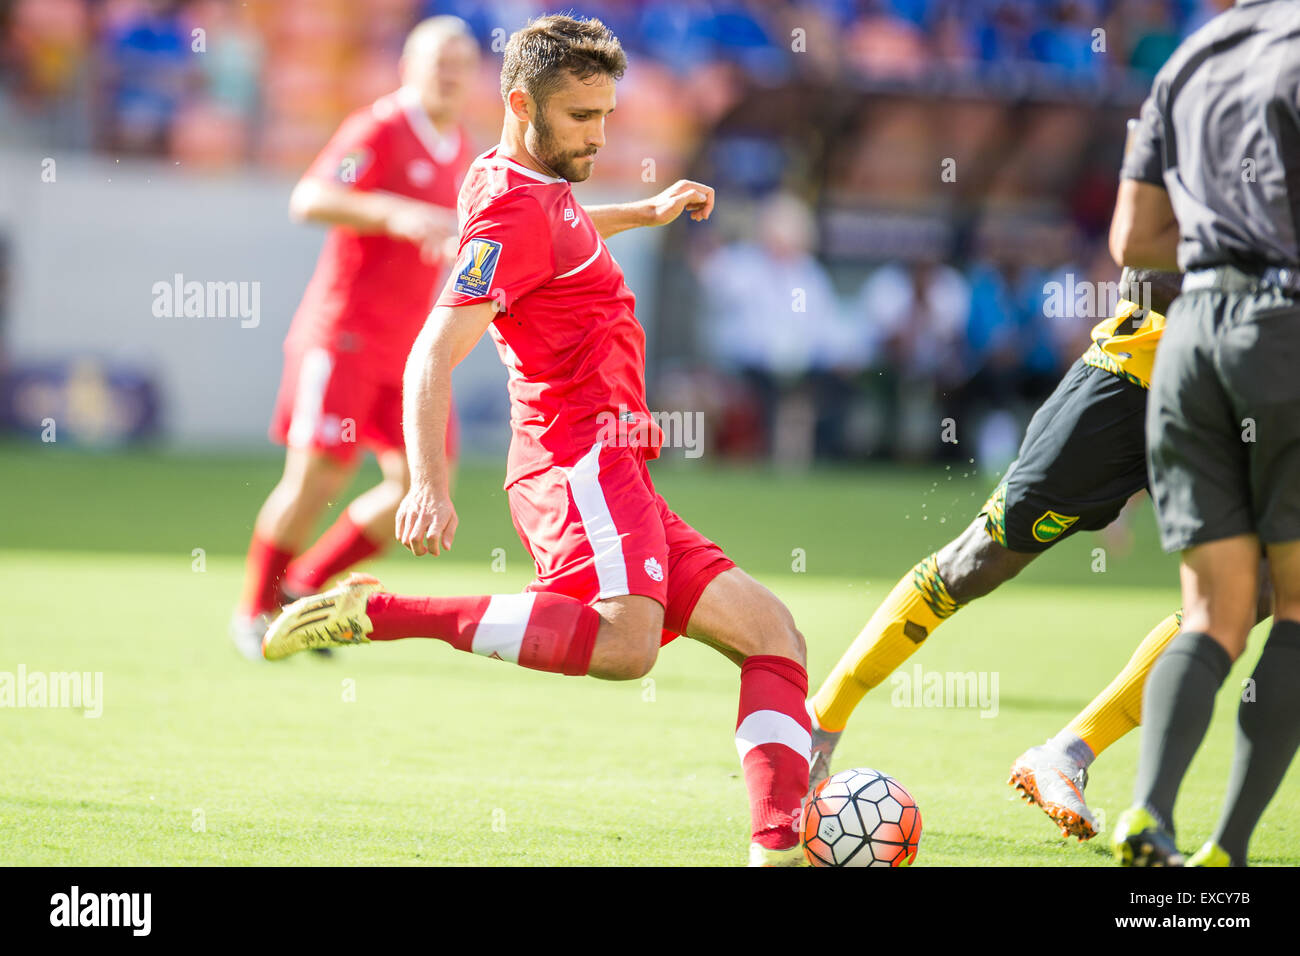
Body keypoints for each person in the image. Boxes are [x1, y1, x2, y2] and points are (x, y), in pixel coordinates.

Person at [262, 14, 813, 867]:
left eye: (607, 114)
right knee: (627, 648)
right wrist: (428, 485)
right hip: (579, 459)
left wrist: (645, 209)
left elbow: (561, 230)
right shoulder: (508, 214)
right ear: (522, 103)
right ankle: (380, 612)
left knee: (774, 634)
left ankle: (778, 848)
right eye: (582, 118)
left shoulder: (517, 180)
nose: (601, 133)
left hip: (616, 459)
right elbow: (432, 353)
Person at [805, 266, 1269, 840]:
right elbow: (1140, 276)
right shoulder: (1228, 178)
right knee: (978, 562)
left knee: (1248, 592)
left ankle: (1066, 755)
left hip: (1227, 412)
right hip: (1130, 388)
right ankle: (819, 722)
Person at [1109, 0, 1300, 867]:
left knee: (1212, 615)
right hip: (1286, 329)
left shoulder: (1186, 59)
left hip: (1189, 339)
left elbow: (1134, 240)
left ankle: (1149, 810)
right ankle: (1226, 849)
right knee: (1294, 606)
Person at [230, 17, 478, 660]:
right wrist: (393, 212)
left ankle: (306, 588)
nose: (450, 73)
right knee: (316, 477)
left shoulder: (462, 146)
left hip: (410, 350)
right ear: (407, 66)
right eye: (438, 61)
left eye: (462, 62)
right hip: (341, 338)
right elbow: (310, 196)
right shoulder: (377, 128)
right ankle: (254, 608)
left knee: (423, 484)